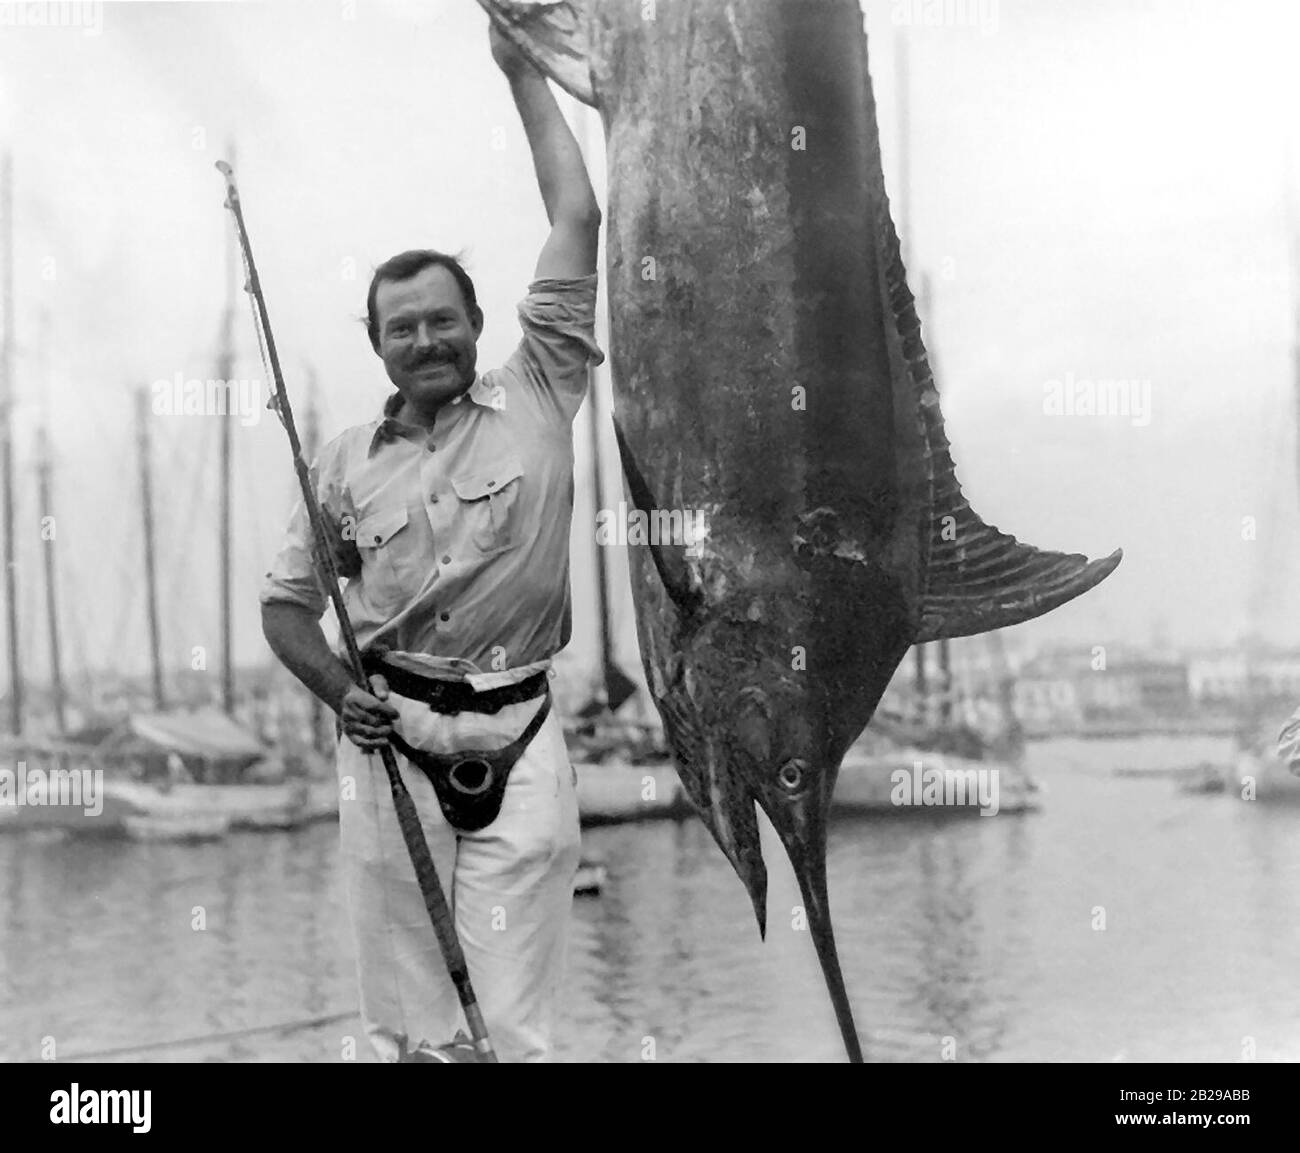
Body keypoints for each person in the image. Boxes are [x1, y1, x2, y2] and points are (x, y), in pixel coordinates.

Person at [259, 22, 601, 1063]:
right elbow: (284, 609)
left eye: (443, 320)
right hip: (386, 750)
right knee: (401, 1030)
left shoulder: (541, 388)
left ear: (476, 322)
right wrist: (339, 692)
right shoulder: (339, 461)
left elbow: (579, 213)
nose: (426, 341)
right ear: (378, 346)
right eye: (401, 328)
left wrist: (521, 72)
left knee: (512, 1030)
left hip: (520, 735)